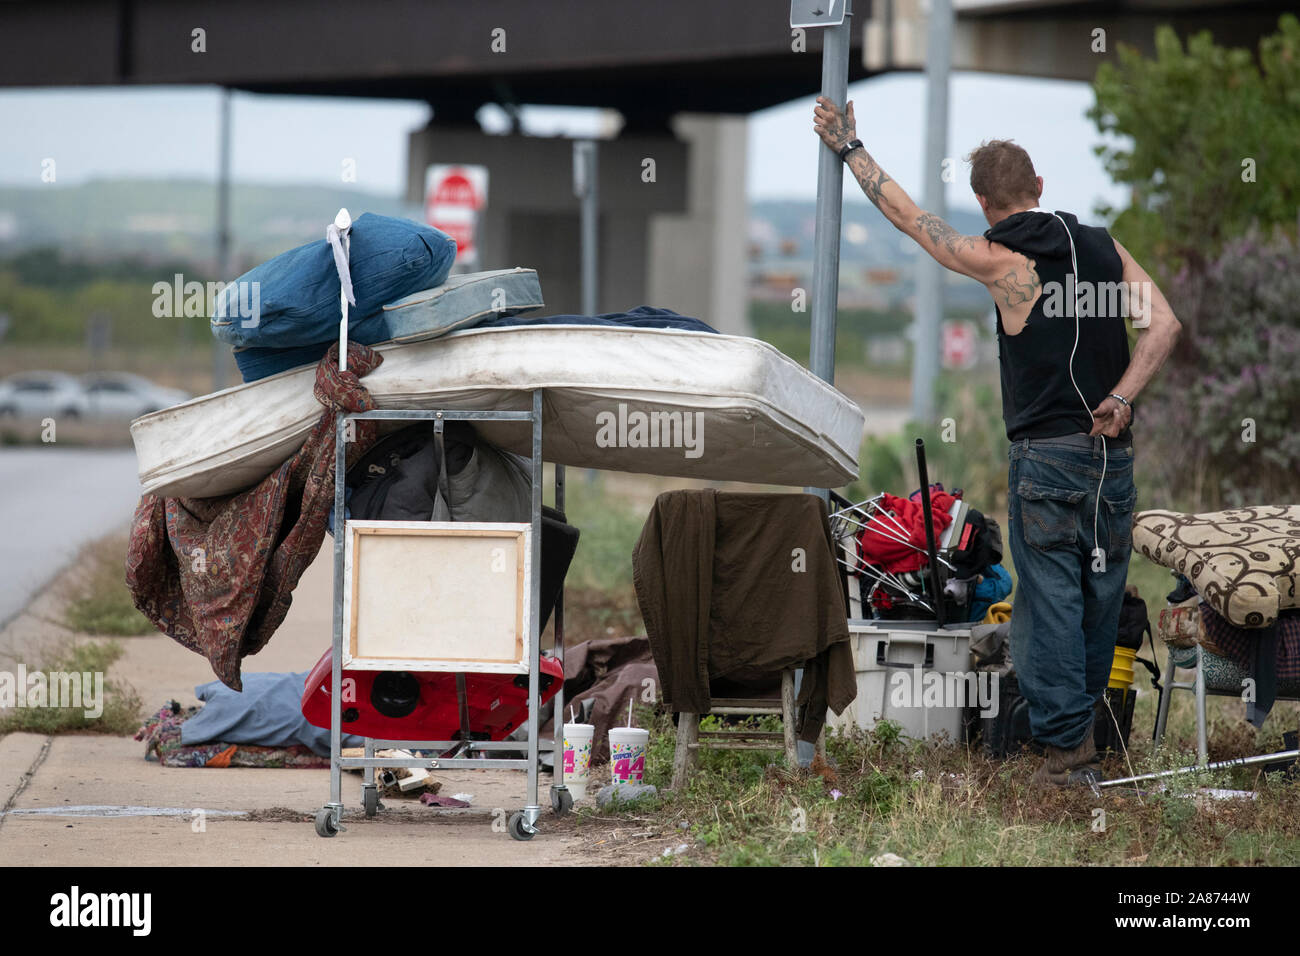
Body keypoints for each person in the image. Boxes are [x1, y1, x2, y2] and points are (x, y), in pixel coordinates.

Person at [813, 97, 1181, 786]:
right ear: (1040, 187)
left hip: (1045, 460)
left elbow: (913, 221)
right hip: (1112, 458)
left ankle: (1069, 754)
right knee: (1102, 596)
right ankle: (1090, 738)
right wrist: (1123, 397)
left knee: (1048, 609)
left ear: (984, 202)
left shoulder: (1001, 261)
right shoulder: (1104, 244)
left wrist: (850, 148)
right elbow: (1164, 325)